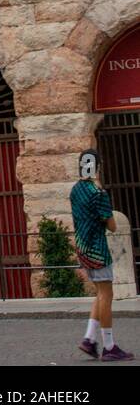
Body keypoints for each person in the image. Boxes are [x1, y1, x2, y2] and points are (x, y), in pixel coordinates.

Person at [72, 149, 133, 361]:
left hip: (82, 248)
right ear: (97, 167)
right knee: (107, 295)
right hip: (98, 250)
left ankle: (89, 339)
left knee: (100, 293)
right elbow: (113, 226)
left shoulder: (75, 190)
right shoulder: (99, 194)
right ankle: (109, 346)